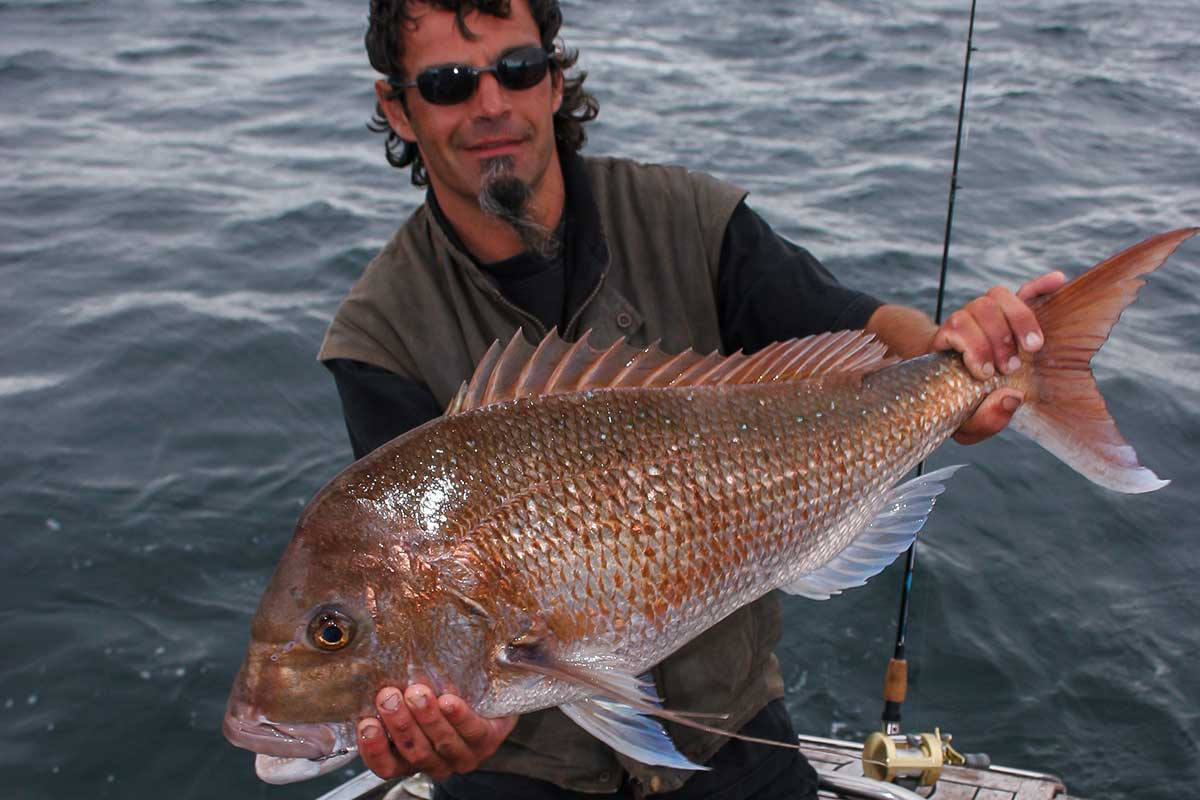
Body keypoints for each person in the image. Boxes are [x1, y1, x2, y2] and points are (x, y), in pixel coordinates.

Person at [318, 1, 1065, 797]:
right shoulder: (380, 336)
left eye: (519, 68)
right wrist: (462, 723)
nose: (493, 103)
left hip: (731, 730)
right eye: (448, 82)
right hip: (526, 773)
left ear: (553, 75)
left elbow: (864, 327)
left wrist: (960, 358)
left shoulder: (691, 221)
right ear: (397, 105)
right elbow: (417, 606)